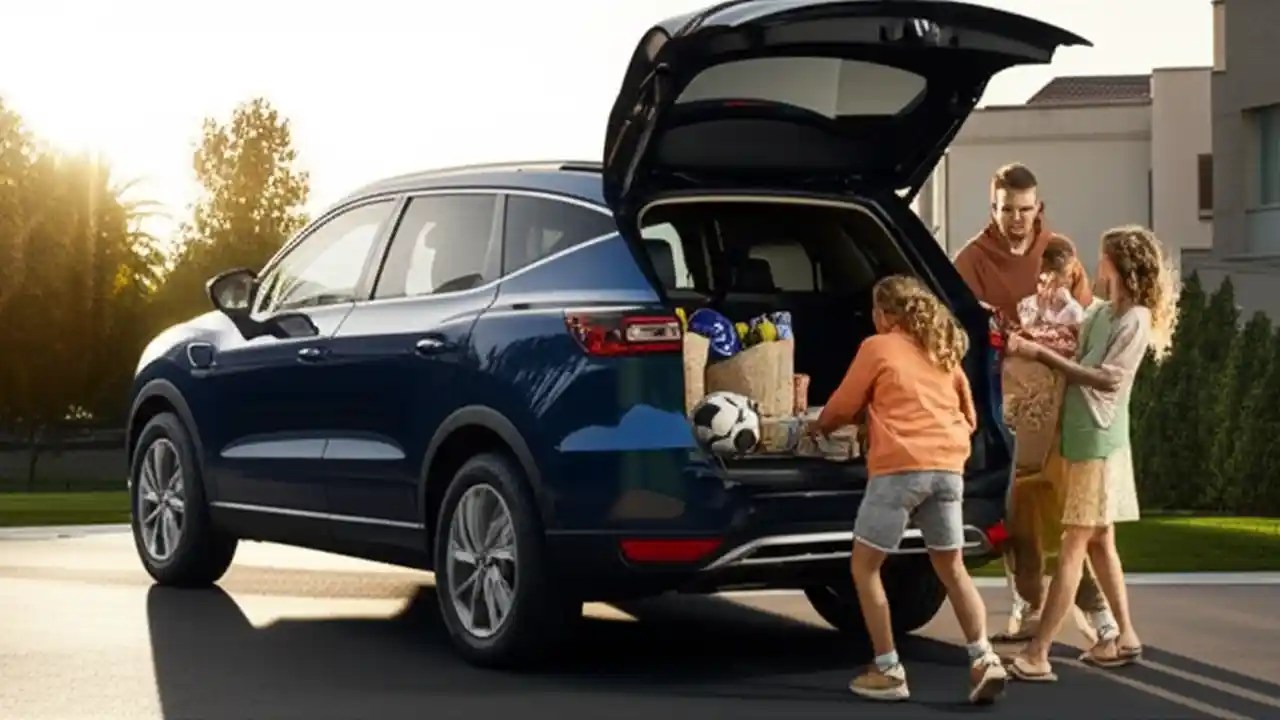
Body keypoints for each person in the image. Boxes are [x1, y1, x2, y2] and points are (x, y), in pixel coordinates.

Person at [809, 275, 1008, 705]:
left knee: (865, 567)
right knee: (951, 567)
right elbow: (969, 417)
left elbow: (842, 405)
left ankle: (887, 669)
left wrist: (818, 427)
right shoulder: (943, 352)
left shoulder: (877, 347)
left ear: (883, 314)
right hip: (949, 467)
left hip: (900, 468)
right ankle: (984, 658)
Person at [952, 162, 1115, 646]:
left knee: (1070, 507)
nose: (1018, 218)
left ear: (1038, 208)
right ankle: (1027, 601)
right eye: (1008, 210)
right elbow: (958, 326)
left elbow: (1084, 327)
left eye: (1026, 209)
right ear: (993, 209)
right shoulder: (972, 260)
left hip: (1062, 394)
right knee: (1019, 504)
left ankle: (1097, 610)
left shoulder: (1059, 253)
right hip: (1006, 399)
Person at [1005, 225, 1176, 682]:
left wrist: (1039, 355)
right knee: (1100, 541)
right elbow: (1067, 333)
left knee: (1073, 545)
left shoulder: (1135, 319)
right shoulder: (1100, 313)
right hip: (1080, 436)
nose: (1095, 269)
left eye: (1102, 260)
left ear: (1119, 266)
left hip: (1099, 443)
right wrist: (1038, 321)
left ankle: (1038, 653)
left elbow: (1105, 379)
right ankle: (1127, 637)